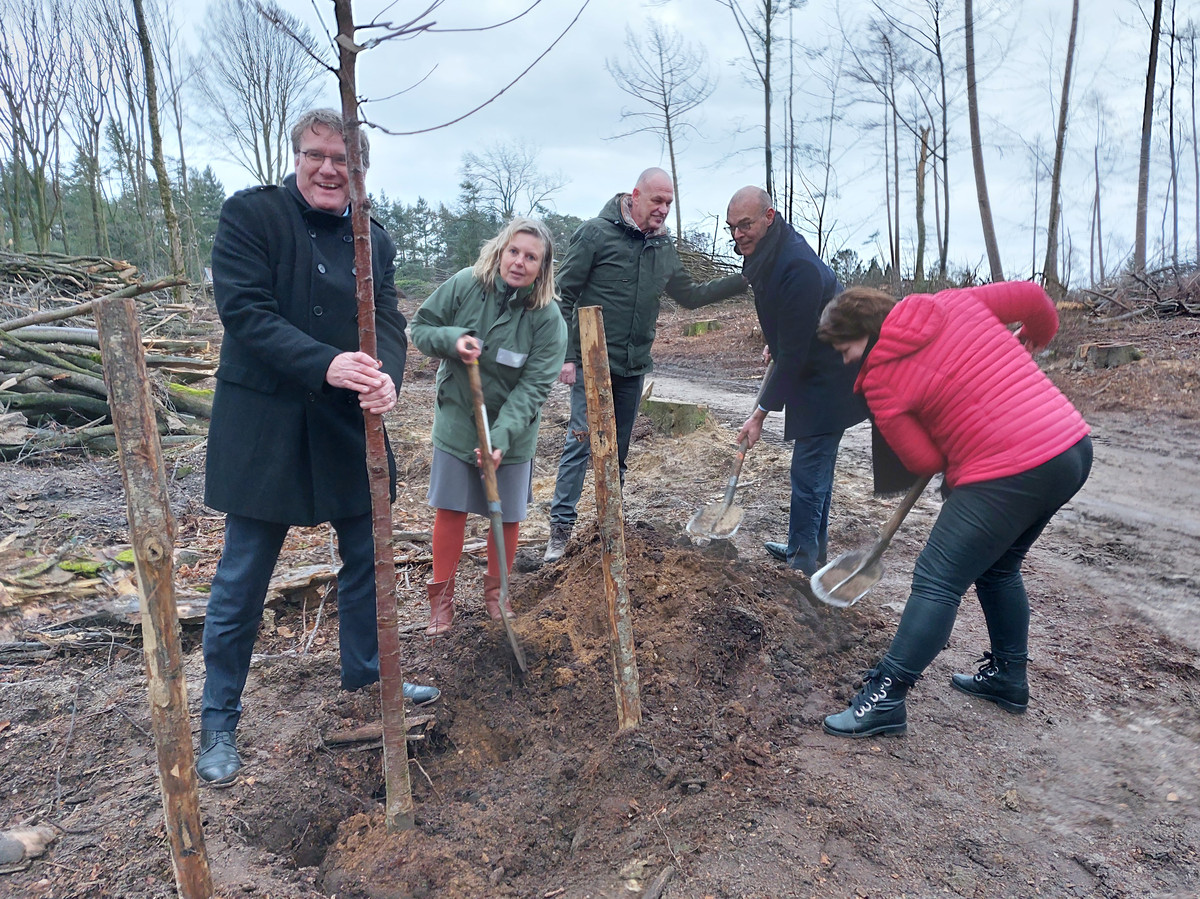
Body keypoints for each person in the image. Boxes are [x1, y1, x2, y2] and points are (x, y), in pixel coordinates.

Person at [196, 109, 438, 787]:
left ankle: (367, 672)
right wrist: (327, 362)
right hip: (264, 424)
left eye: (345, 160)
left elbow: (387, 317)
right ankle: (219, 716)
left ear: (361, 171)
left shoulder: (373, 238)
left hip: (346, 425)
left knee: (367, 554)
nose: (330, 169)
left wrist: (386, 374)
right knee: (243, 575)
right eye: (317, 155)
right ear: (296, 155)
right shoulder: (252, 216)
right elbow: (244, 312)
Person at [816, 282, 1092, 738]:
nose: (845, 361)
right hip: (1069, 448)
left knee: (937, 580)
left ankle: (885, 699)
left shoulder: (881, 381)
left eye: (844, 349)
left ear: (864, 334)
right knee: (999, 568)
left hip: (1008, 469)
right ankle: (1008, 677)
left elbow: (926, 462)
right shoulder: (952, 301)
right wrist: (1032, 339)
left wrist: (940, 426)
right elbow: (1037, 302)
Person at [544, 167, 747, 562]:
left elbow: (689, 295)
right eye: (657, 200)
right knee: (582, 442)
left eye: (669, 203)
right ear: (635, 196)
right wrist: (567, 356)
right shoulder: (595, 234)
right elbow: (562, 295)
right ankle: (559, 532)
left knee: (616, 451)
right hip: (591, 359)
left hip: (633, 366)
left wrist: (742, 280)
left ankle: (609, 527)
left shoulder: (663, 248)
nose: (663, 209)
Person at [411, 217, 567, 634]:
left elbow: (534, 387)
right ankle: (440, 605)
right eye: (514, 251)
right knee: (452, 509)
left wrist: (499, 439)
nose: (519, 262)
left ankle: (498, 597)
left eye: (531, 257)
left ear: (542, 267)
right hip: (459, 416)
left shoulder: (548, 319)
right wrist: (453, 340)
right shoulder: (465, 284)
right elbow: (421, 328)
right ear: (500, 250)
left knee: (508, 514)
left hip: (513, 431)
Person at [727, 186, 868, 575]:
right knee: (814, 471)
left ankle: (802, 565)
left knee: (809, 472)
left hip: (833, 375)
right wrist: (778, 339)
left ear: (769, 216)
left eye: (746, 225)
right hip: (813, 365)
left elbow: (795, 355)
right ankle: (807, 551)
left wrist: (759, 415)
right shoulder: (769, 253)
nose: (738, 235)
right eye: (732, 228)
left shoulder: (797, 263)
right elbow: (792, 320)